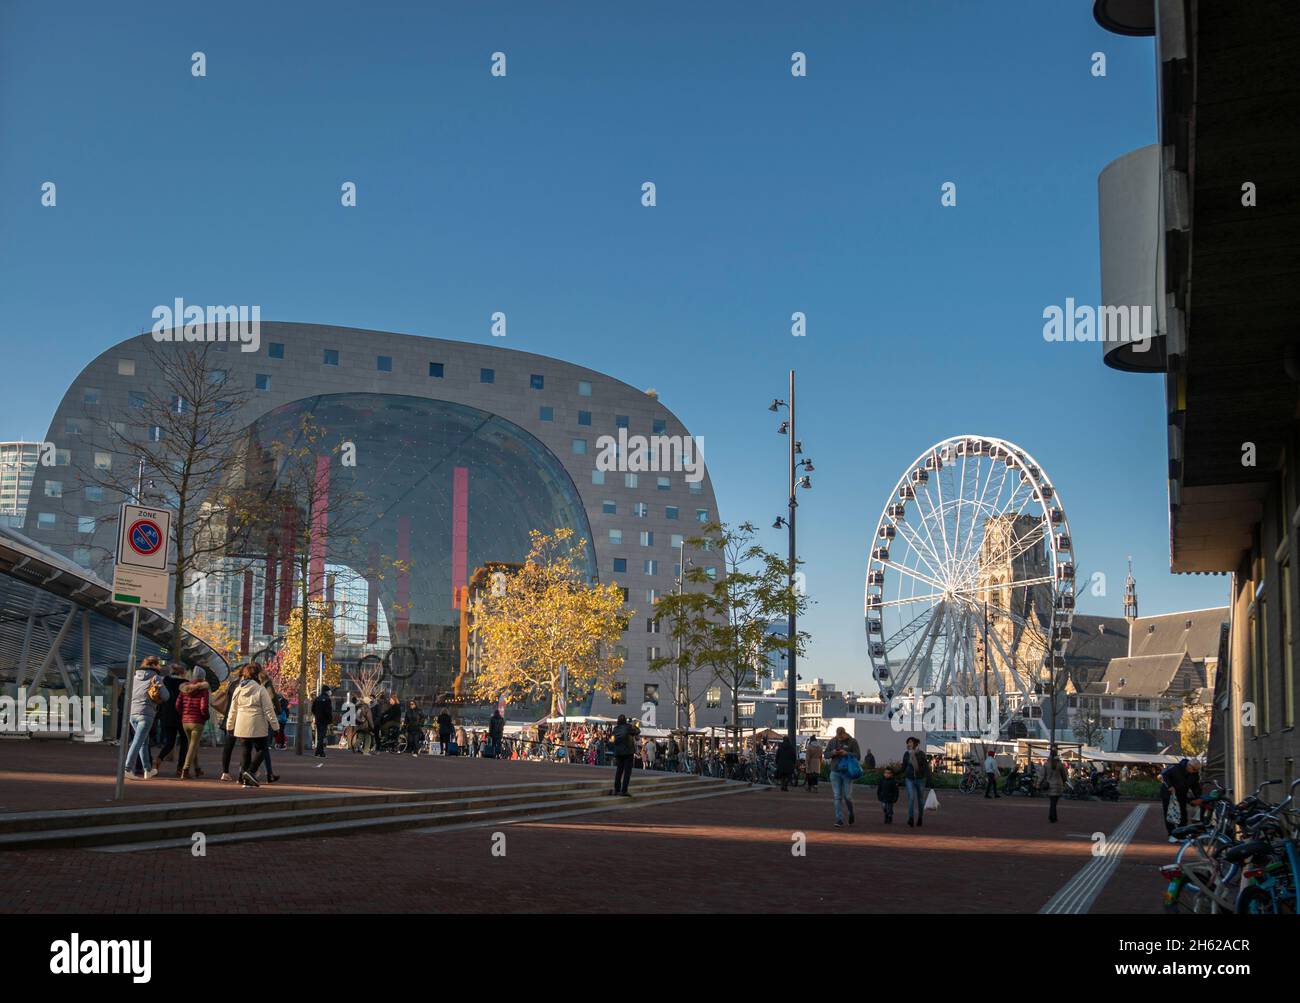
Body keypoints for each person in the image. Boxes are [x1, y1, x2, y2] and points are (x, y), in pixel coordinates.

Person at [225, 665, 281, 787]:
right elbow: (269, 710)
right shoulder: (261, 690)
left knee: (245, 751)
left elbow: (232, 710)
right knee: (263, 749)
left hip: (241, 724)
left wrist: (229, 725)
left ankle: (245, 779)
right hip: (257, 725)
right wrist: (276, 727)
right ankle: (250, 771)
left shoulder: (238, 689)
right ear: (257, 675)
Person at [125, 656, 168, 780]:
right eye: (159, 664)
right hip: (146, 713)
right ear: (154, 665)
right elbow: (166, 696)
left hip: (132, 714)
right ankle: (127, 768)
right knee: (138, 741)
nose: (160, 667)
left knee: (144, 741)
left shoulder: (134, 677)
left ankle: (147, 770)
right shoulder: (156, 677)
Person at [175, 667, 210, 780]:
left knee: (192, 745)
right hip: (197, 721)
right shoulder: (203, 690)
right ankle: (185, 770)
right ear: (202, 677)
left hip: (185, 721)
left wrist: (184, 714)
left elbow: (177, 705)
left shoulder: (184, 688)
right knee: (193, 746)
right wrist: (205, 717)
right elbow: (203, 706)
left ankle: (197, 769)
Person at [154, 662, 188, 774]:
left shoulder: (165, 682)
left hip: (167, 715)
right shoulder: (186, 684)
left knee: (170, 742)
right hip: (181, 716)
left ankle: (159, 759)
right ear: (183, 672)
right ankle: (180, 768)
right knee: (184, 742)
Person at [1160, 757, 1204, 841]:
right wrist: (1169, 786)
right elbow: (1163, 775)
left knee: (1183, 813)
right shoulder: (1175, 768)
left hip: (1182, 794)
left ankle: (1182, 834)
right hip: (1169, 794)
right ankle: (1171, 834)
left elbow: (1195, 787)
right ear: (1189, 766)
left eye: (1197, 770)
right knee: (1170, 813)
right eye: (1194, 769)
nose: (1195, 771)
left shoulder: (1194, 774)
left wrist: (1198, 797)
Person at [825, 726, 862, 827]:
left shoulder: (852, 741)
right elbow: (825, 754)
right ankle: (839, 819)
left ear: (845, 733)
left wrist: (847, 753)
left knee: (847, 796)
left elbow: (858, 756)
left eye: (841, 737)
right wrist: (833, 753)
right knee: (837, 796)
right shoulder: (832, 741)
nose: (840, 739)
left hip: (847, 772)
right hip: (835, 771)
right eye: (838, 737)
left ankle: (851, 812)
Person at [901, 736, 930, 828]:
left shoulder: (921, 754)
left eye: (910, 742)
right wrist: (894, 772)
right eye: (907, 742)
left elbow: (926, 767)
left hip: (920, 779)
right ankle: (911, 818)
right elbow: (903, 767)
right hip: (909, 778)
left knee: (920, 800)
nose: (908, 744)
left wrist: (929, 779)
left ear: (915, 744)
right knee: (911, 798)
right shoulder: (906, 754)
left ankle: (920, 817)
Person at [610, 714, 639, 796]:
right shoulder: (628, 727)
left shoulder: (615, 729)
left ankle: (616, 789)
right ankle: (624, 790)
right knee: (627, 772)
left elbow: (612, 740)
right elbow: (637, 731)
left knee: (619, 771)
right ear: (625, 720)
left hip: (619, 753)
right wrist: (634, 725)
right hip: (628, 752)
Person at [1041, 750, 1069, 823]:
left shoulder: (1046, 764)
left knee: (1052, 802)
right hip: (1059, 785)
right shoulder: (1060, 764)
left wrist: (1038, 783)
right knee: (1054, 802)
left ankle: (1052, 817)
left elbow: (1042, 776)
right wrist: (1064, 782)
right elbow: (1064, 776)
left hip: (1050, 785)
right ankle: (1053, 816)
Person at [311, 686, 334, 757]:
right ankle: (319, 751)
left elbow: (313, 709)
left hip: (318, 719)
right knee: (322, 736)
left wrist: (317, 715)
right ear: (327, 691)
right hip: (325, 720)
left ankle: (320, 752)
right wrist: (330, 719)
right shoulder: (327, 699)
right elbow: (328, 711)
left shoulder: (317, 699)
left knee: (320, 735)